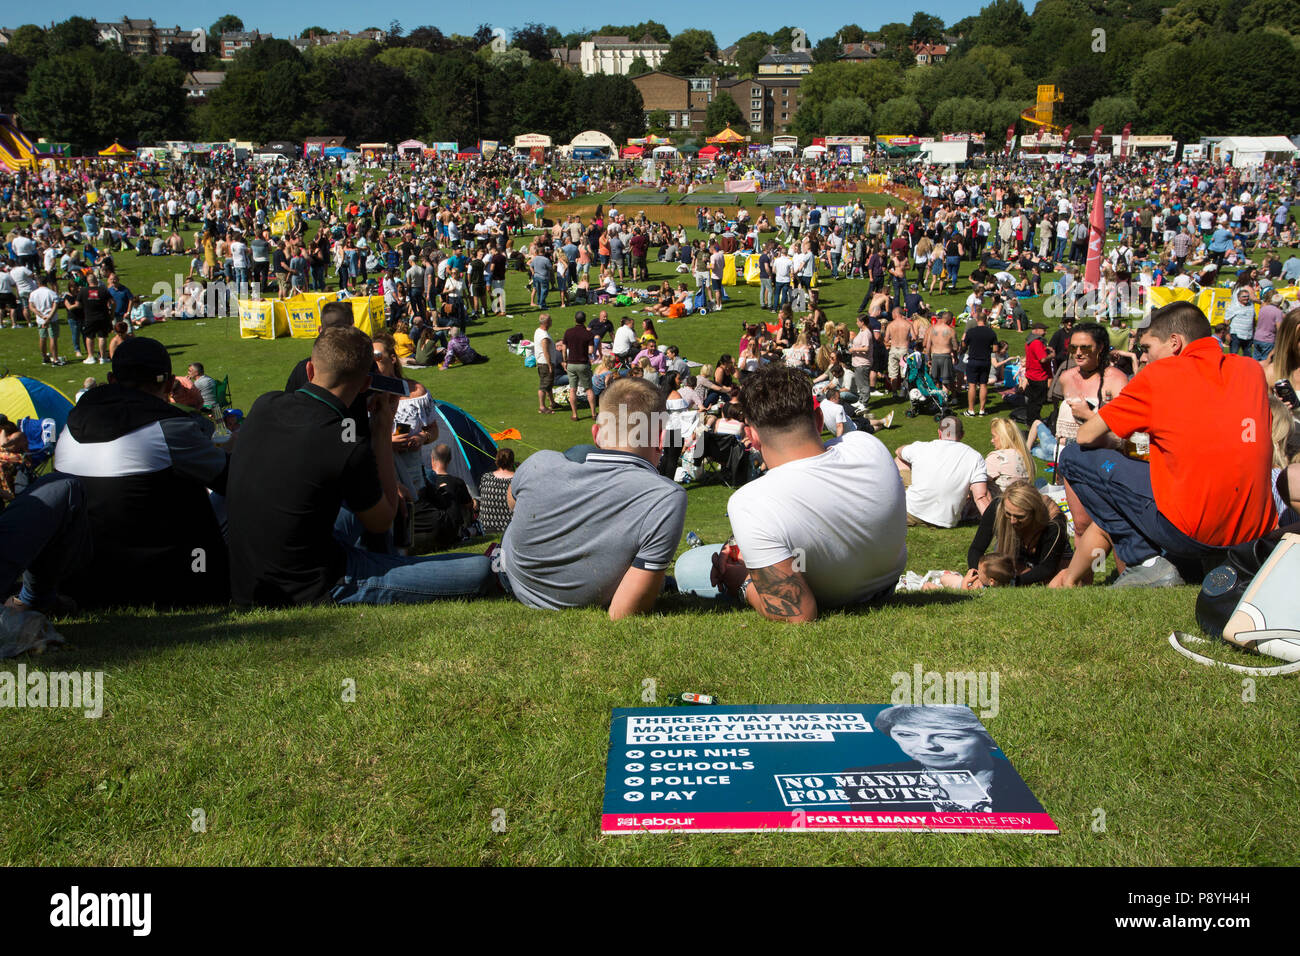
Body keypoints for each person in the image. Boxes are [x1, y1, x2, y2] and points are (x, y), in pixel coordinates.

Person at [227, 326, 494, 606]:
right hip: (310, 583)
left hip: (248, 577)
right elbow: (383, 519)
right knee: (479, 570)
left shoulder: (264, 404)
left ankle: (386, 562)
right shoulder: (346, 444)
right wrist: (381, 428)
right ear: (367, 385)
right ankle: (391, 567)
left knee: (356, 512)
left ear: (309, 370)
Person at [1052, 302, 1278, 589]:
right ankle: (1207, 560)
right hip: (1251, 533)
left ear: (1175, 343)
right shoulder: (1250, 370)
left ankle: (1145, 562)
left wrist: (1098, 425)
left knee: (1073, 455)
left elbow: (1085, 437)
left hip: (1191, 530)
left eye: (1146, 348)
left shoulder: (1160, 375)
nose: (1142, 358)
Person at [700, 365, 907, 623]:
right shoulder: (867, 445)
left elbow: (798, 613)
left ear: (752, 437)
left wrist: (741, 582)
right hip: (888, 580)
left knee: (692, 564)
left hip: (831, 595)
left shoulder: (749, 502)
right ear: (819, 421)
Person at [47, 337, 230, 609]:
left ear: (111, 379)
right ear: (170, 385)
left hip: (85, 575)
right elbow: (231, 480)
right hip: (163, 579)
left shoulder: (71, 424)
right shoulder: (170, 427)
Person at [499, 377, 687, 619]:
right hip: (578, 593)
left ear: (596, 433)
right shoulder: (666, 498)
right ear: (661, 440)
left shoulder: (539, 462)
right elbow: (623, 612)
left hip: (513, 578)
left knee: (578, 453)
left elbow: (512, 504)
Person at [844, 706, 1042, 813]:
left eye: (949, 736)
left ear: (988, 740)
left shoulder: (1029, 783)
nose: (926, 745)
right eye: (905, 735)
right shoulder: (863, 780)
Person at [894, 416, 993, 528]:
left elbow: (898, 451)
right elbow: (980, 496)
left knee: (899, 460)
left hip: (910, 513)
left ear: (939, 433)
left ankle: (889, 500)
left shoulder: (921, 447)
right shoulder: (975, 456)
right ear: (962, 435)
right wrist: (993, 523)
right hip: (947, 520)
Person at [966, 480, 1069, 586]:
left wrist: (1013, 582)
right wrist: (976, 576)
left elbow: (1047, 568)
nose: (1013, 521)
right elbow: (976, 549)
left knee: (1057, 582)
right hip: (1018, 559)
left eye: (1020, 516)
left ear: (1035, 513)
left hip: (1055, 560)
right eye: (1008, 514)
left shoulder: (1053, 524)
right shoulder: (997, 507)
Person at [411, 443, 476, 553]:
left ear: (432, 459)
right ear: (450, 459)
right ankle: (466, 530)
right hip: (447, 526)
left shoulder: (423, 482)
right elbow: (469, 505)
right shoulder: (456, 482)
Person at [561, 311, 598, 421]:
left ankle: (575, 415)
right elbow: (591, 350)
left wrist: (564, 361)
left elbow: (563, 348)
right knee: (589, 389)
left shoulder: (568, 332)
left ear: (575, 320)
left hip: (571, 364)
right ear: (585, 320)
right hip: (582, 364)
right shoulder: (588, 334)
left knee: (573, 389)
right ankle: (593, 414)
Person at [961, 308, 998, 416]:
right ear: (986, 320)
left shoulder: (971, 332)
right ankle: (982, 410)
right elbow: (995, 349)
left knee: (972, 385)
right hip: (985, 361)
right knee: (983, 385)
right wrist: (987, 349)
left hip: (973, 360)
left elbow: (964, 345)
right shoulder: (991, 332)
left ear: (977, 320)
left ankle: (971, 410)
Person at [985, 417, 1033, 493]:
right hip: (1024, 501)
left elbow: (977, 483)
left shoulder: (997, 457)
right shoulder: (1026, 456)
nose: (992, 440)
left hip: (1001, 502)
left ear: (1003, 437)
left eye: (994, 436)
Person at [28, 275, 65, 367]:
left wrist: (41, 316)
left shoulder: (33, 294)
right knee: (53, 338)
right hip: (52, 319)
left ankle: (44, 357)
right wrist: (49, 318)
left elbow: (31, 307)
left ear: (38, 283)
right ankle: (55, 359)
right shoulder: (51, 293)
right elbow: (55, 306)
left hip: (40, 320)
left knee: (42, 338)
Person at [477, 448, 516, 535]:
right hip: (509, 526)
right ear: (512, 462)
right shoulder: (516, 480)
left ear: (496, 461)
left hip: (486, 525)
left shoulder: (486, 477)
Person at [533, 312, 559, 414]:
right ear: (547, 322)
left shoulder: (538, 331)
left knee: (548, 384)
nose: (552, 322)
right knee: (544, 385)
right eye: (550, 320)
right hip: (545, 363)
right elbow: (545, 351)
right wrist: (549, 365)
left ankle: (552, 402)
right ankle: (542, 407)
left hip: (541, 362)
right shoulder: (544, 336)